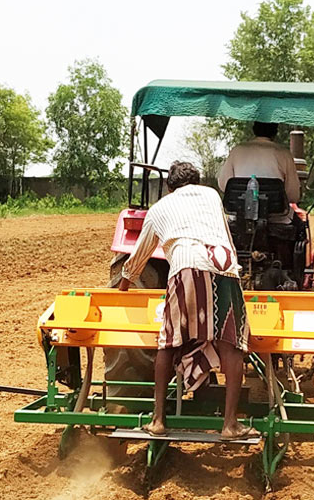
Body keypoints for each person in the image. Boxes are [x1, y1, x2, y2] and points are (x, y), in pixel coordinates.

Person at [117, 161, 251, 440]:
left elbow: (139, 255)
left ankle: (158, 420)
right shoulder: (211, 195)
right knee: (231, 344)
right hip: (224, 267)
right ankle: (229, 424)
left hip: (185, 266)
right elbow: (226, 236)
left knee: (169, 341)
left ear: (169, 187)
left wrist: (123, 286)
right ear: (198, 181)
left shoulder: (159, 209)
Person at [217, 122, 300, 223]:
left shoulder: (237, 150)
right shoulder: (284, 154)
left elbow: (223, 185)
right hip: (278, 219)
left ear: (254, 129)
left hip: (240, 218)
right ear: (275, 132)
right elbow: (293, 195)